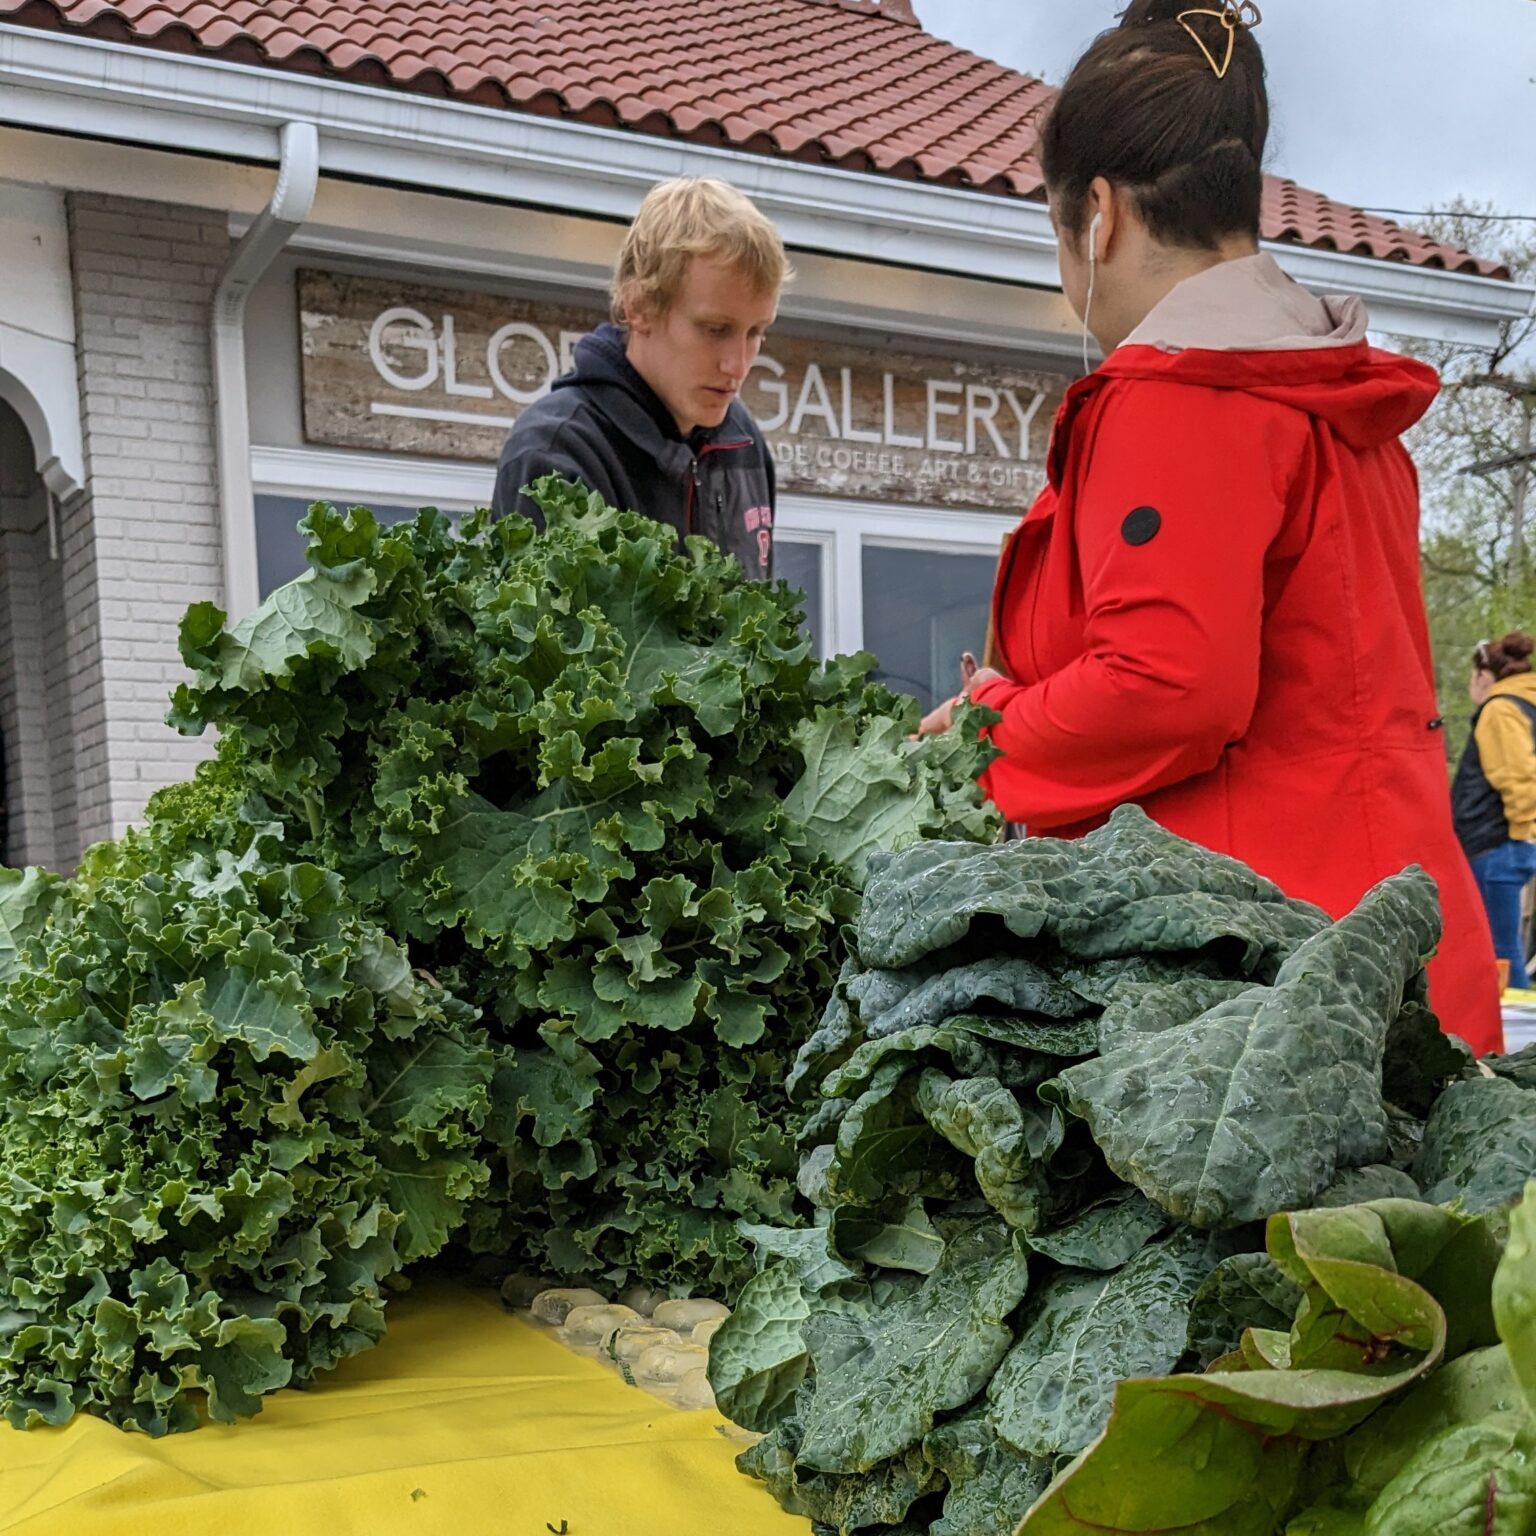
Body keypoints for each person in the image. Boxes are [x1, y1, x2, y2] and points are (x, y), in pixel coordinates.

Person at [918, 0, 1502, 1054]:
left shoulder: (1177, 397)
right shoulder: (1336, 394)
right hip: (1403, 953)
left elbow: (1167, 684)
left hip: (1263, 985)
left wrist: (983, 731)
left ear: (1098, 215)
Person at [490, 176, 787, 578]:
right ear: (638, 306)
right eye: (715, 329)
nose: (738, 365)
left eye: (755, 333)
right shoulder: (556, 451)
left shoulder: (745, 442)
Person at [1453, 634, 1536, 990]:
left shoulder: (1500, 708)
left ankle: (1519, 1039)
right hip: (1505, 844)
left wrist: (1522, 831)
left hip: (1497, 845)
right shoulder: (1525, 704)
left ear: (1484, 676)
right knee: (1504, 947)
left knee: (1500, 952)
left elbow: (1519, 777)